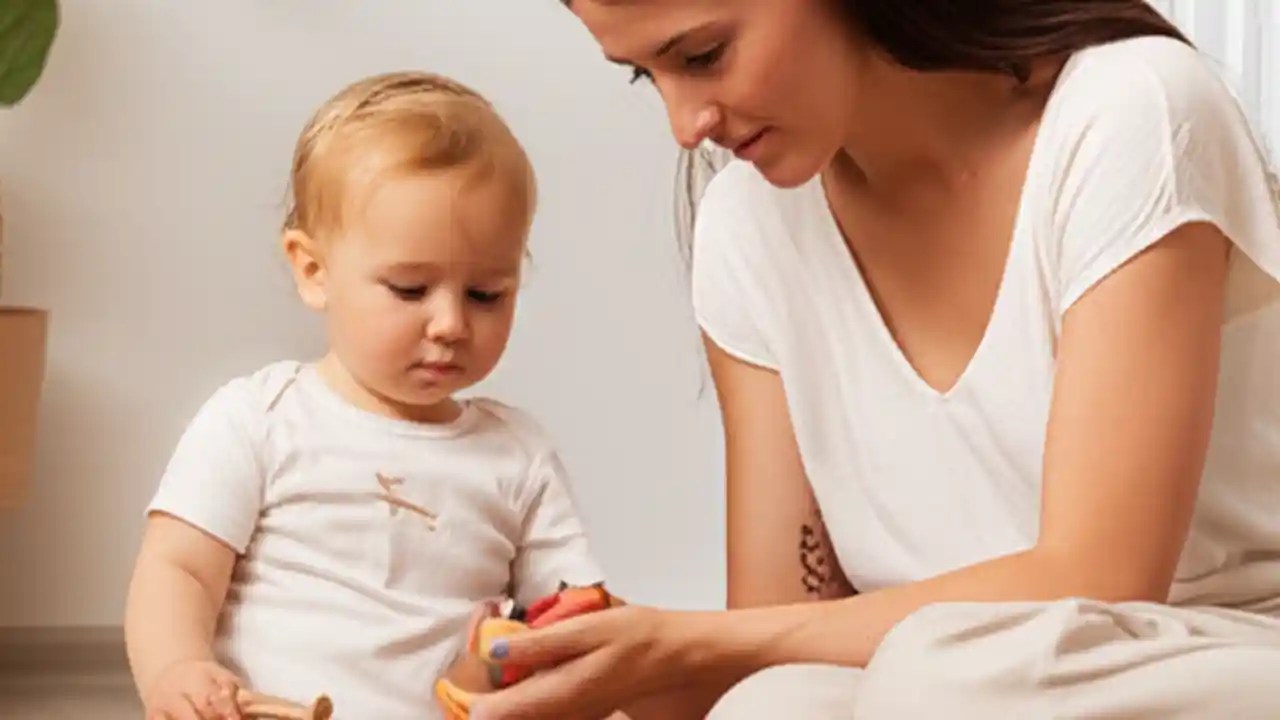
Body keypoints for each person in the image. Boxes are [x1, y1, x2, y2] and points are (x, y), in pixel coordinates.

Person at [465, 2, 1280, 718]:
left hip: (1218, 648)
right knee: (770, 708)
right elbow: (771, 637)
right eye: (646, 77)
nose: (685, 125)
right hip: (944, 681)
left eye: (703, 56)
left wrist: (684, 641)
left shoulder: (1128, 111)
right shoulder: (747, 228)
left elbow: (1099, 575)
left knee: (945, 684)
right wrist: (603, 664)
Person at [123, 71, 604, 720]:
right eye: (410, 290)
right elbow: (178, 568)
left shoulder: (516, 455)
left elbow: (573, 612)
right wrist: (177, 667)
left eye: (486, 294)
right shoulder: (260, 420)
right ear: (313, 270)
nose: (451, 324)